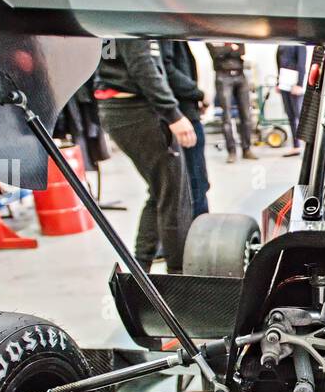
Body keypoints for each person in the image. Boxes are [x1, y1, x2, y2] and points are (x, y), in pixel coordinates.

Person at [95, 38, 195, 273]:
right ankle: (178, 276)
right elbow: (142, 65)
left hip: (121, 109)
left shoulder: (110, 16)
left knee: (160, 192)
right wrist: (173, 115)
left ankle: (141, 269)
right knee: (174, 195)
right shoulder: (132, 16)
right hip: (136, 110)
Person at [162, 40, 211, 221]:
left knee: (196, 181)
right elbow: (167, 71)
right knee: (194, 182)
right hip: (182, 116)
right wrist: (198, 93)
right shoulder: (166, 33)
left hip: (186, 111)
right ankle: (199, 232)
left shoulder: (179, 37)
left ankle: (198, 229)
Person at [207, 41, 256, 162]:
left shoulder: (234, 33)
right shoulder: (211, 36)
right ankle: (232, 151)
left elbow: (242, 50)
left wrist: (225, 49)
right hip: (223, 76)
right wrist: (231, 47)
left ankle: (247, 149)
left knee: (246, 114)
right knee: (227, 116)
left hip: (240, 75)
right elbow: (216, 53)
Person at [276, 43, 307, 156]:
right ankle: (296, 146)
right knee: (290, 115)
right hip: (284, 82)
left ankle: (308, 143)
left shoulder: (298, 44)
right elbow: (279, 63)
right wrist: (278, 82)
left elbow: (301, 63)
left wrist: (299, 84)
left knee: (299, 114)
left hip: (294, 83)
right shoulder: (281, 43)